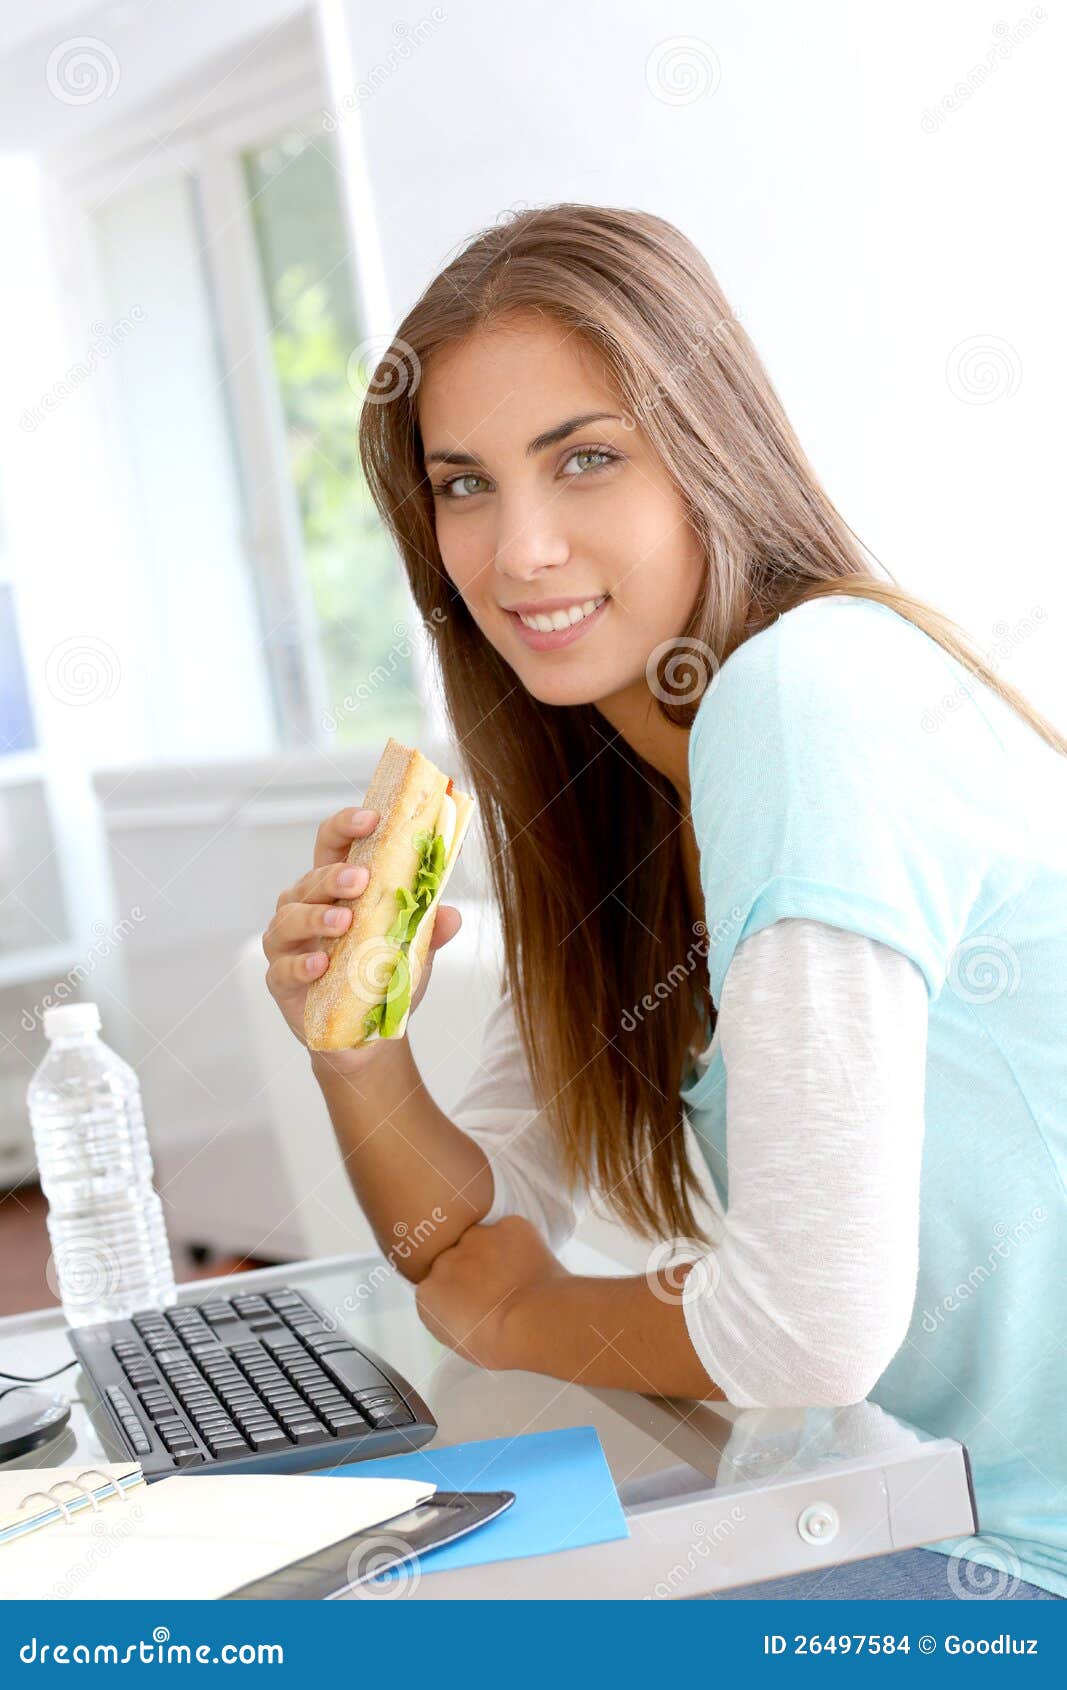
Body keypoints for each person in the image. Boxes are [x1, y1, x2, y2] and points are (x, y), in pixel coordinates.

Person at [262, 205, 1066, 1599]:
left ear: (711, 453)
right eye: (463, 485)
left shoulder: (805, 695)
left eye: (585, 459)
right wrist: (355, 1037)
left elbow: (806, 1328)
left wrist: (521, 1309)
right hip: (915, 1514)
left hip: (1018, 1571)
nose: (520, 552)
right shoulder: (630, 808)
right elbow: (456, 1231)